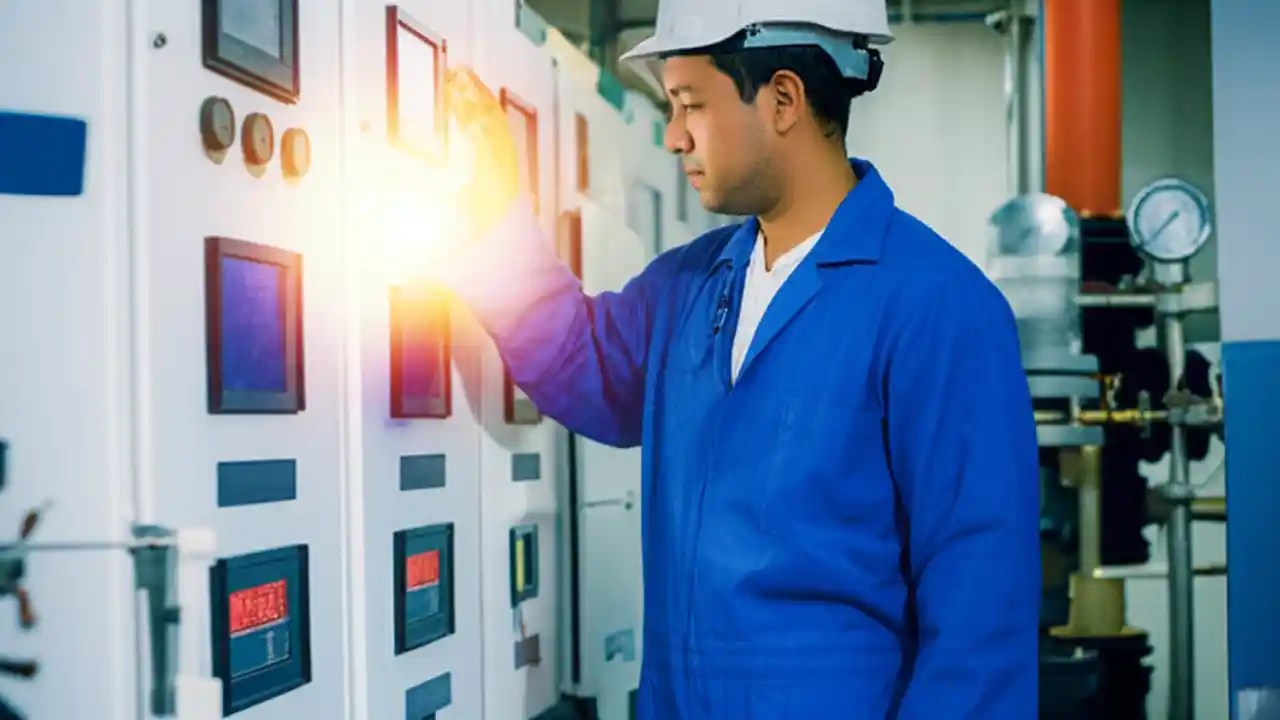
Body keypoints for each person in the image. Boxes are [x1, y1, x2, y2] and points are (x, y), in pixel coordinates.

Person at [433, 1, 1041, 717]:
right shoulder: (689, 286)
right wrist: (494, 215)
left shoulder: (937, 306)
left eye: (690, 103)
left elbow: (980, 619)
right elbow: (581, 363)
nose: (673, 136)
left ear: (782, 98)